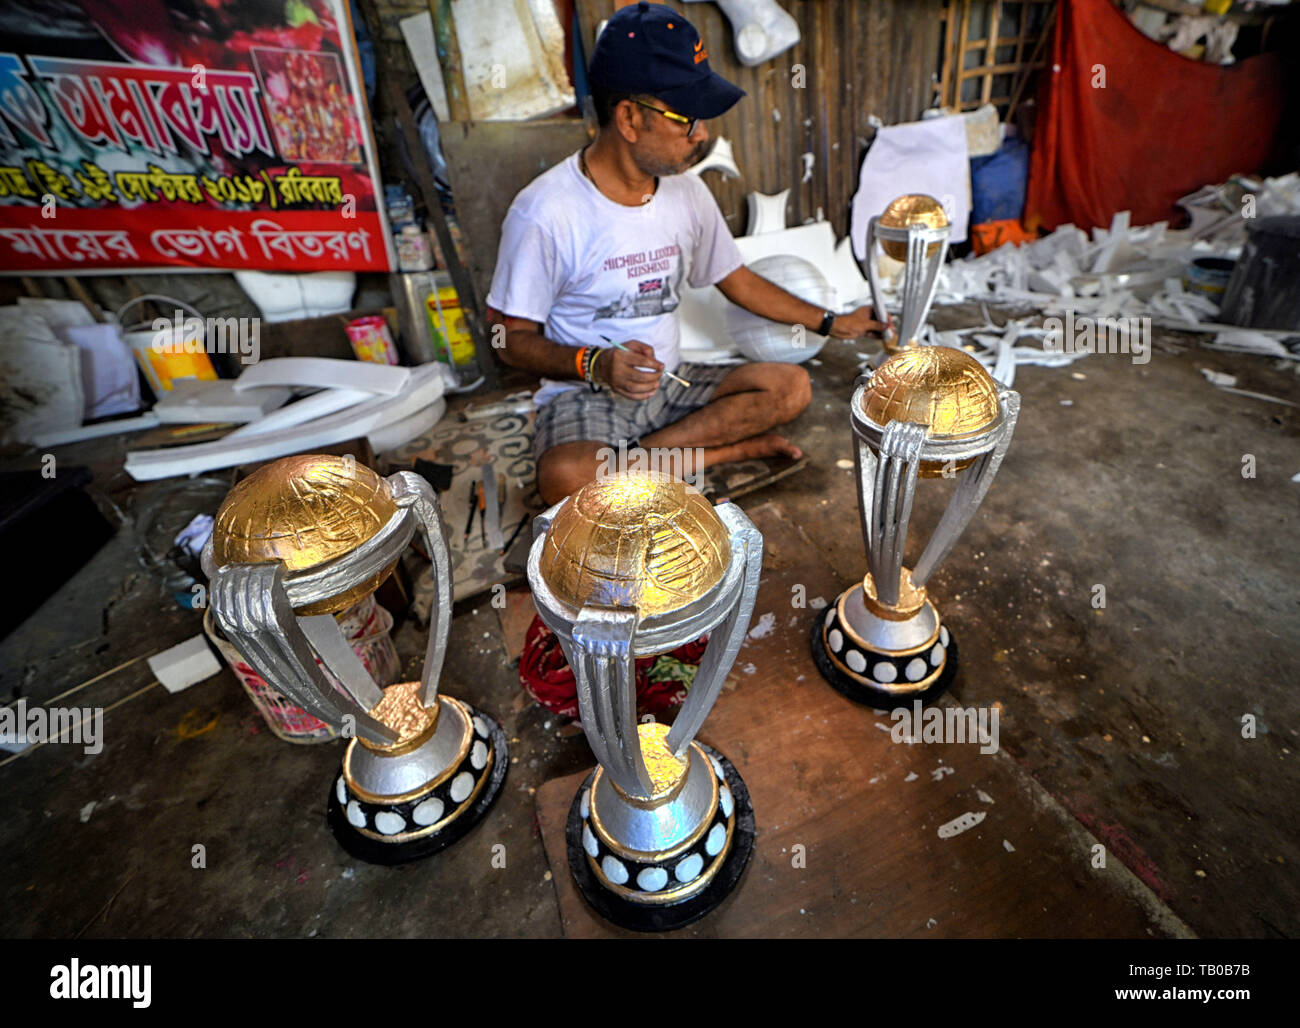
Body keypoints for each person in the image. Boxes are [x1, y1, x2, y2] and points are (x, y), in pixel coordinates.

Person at [487, 1, 884, 506]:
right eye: (687, 118)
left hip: (674, 384)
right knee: (565, 477)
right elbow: (506, 338)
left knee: (790, 387)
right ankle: (710, 454)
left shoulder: (686, 193)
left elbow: (737, 280)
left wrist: (834, 322)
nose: (703, 135)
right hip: (588, 391)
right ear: (630, 118)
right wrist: (594, 362)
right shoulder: (544, 213)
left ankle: (641, 465)